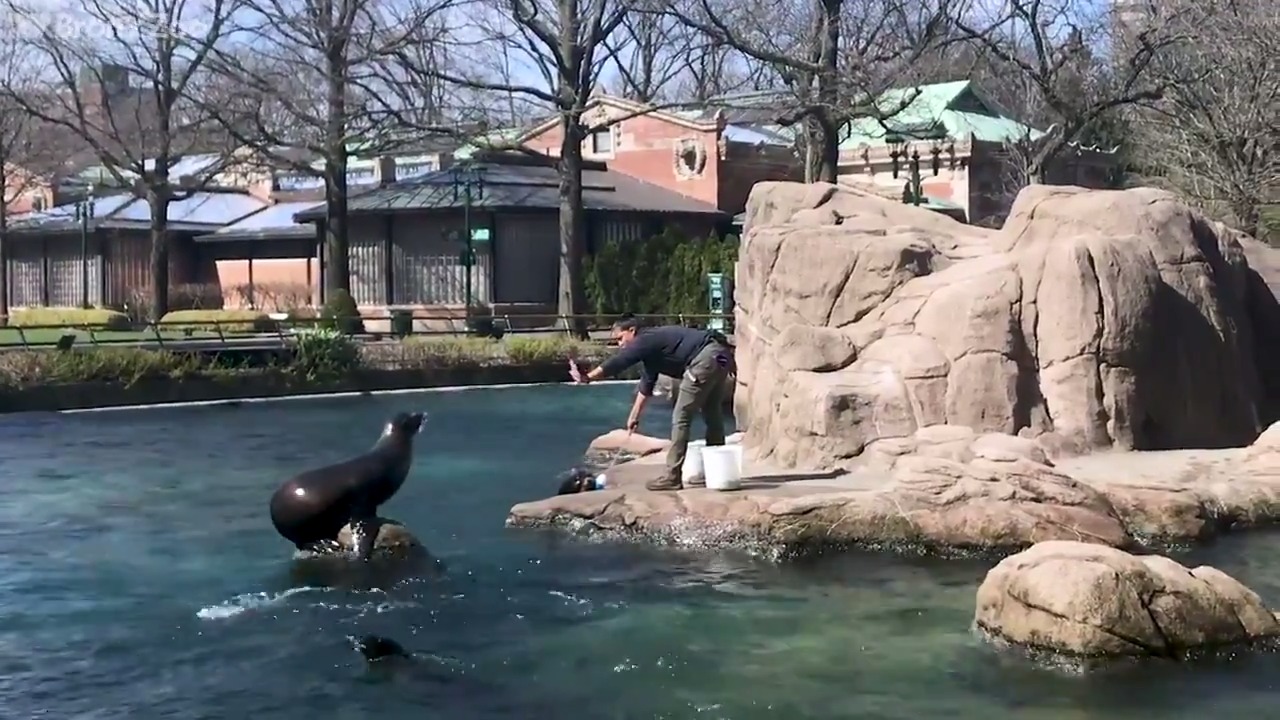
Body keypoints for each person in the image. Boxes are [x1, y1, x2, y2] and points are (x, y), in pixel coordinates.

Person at [568, 315, 734, 491]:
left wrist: (588, 377)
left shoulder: (645, 339)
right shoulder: (652, 351)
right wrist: (634, 416)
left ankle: (672, 476)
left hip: (704, 359)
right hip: (720, 356)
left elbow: (619, 362)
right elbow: (646, 385)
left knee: (681, 417)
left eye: (620, 338)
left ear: (632, 331)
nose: (620, 344)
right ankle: (716, 471)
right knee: (712, 413)